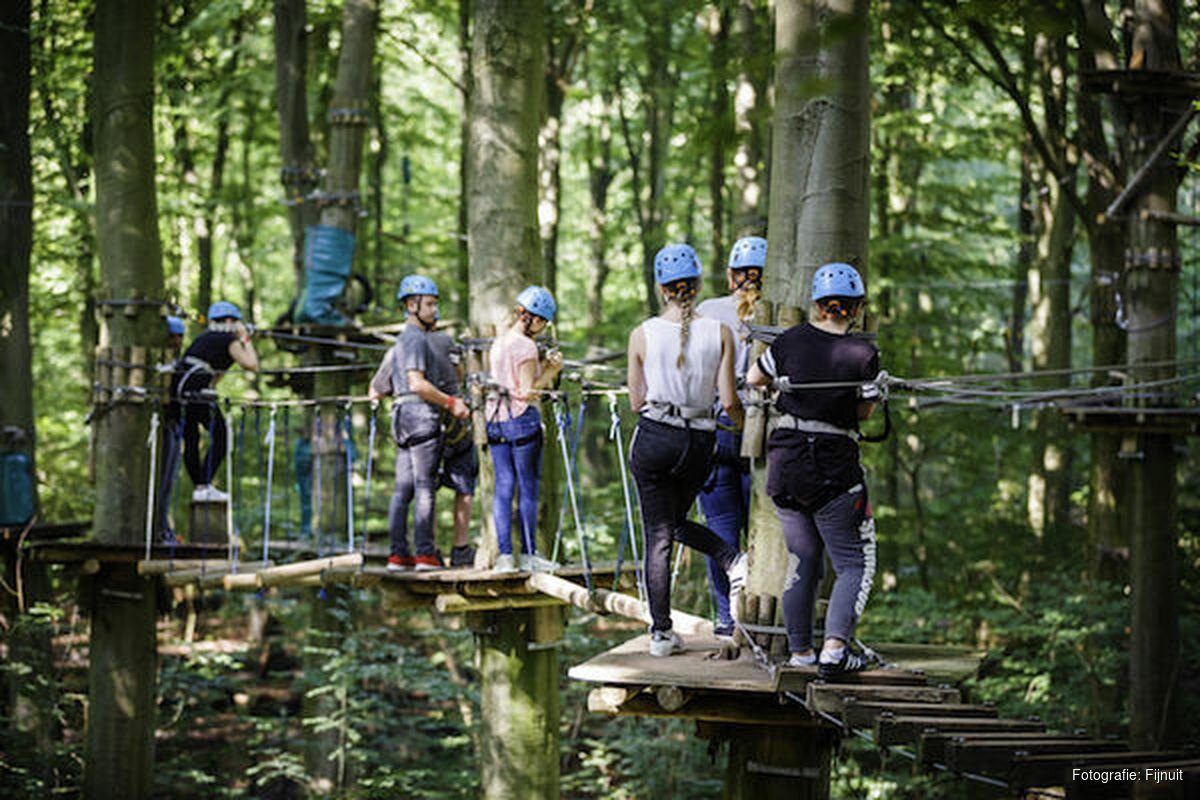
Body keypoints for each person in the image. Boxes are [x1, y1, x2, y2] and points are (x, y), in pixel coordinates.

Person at [746, 262, 880, 678]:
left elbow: (754, 378)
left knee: (804, 561)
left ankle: (801, 653)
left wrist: (790, 383)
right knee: (855, 562)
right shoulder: (863, 354)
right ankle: (835, 651)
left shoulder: (790, 341)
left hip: (786, 464)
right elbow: (866, 412)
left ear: (818, 307)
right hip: (832, 468)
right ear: (855, 309)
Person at [626, 243, 748, 657]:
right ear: (697, 286)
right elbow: (729, 401)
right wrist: (747, 429)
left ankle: (661, 634)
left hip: (655, 436)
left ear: (662, 290)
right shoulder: (721, 332)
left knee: (659, 536)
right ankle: (731, 559)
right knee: (673, 522)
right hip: (700, 440)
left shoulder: (641, 334)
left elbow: (636, 402)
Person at [369, 275, 470, 571]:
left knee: (403, 489)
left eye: (435, 304)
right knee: (425, 487)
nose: (435, 310)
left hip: (402, 419)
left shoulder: (399, 344)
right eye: (430, 304)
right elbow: (418, 383)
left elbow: (376, 389)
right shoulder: (415, 339)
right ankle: (425, 554)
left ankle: (398, 555)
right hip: (422, 417)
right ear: (411, 305)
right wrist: (452, 403)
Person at [695, 235, 765, 639]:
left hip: (716, 433)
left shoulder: (706, 312)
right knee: (763, 533)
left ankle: (726, 619)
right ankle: (759, 621)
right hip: (762, 435)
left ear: (730, 275)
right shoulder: (778, 316)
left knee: (722, 532)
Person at [485, 285, 562, 573]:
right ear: (535, 319)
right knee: (528, 489)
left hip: (495, 420)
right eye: (543, 322)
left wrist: (540, 366)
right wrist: (552, 371)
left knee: (503, 488)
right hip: (521, 421)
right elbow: (527, 391)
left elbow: (510, 380)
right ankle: (529, 554)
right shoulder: (526, 346)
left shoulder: (501, 342)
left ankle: (505, 555)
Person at [167, 301, 258, 504]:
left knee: (191, 440)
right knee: (222, 435)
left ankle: (201, 487)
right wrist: (245, 337)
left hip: (179, 392)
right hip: (196, 393)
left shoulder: (206, 338)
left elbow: (215, 375)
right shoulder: (227, 339)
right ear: (229, 321)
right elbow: (251, 364)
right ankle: (204, 484)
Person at [429, 328, 478, 567]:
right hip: (442, 421)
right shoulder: (439, 343)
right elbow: (459, 375)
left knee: (434, 487)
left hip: (439, 423)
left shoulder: (409, 344)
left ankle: (440, 550)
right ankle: (451, 549)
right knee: (458, 487)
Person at [155, 315, 189, 541]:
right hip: (162, 428)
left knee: (168, 481)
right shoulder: (159, 364)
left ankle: (162, 526)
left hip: (175, 427)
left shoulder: (182, 364)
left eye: (180, 337)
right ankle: (158, 526)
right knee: (160, 480)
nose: (176, 341)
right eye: (172, 336)